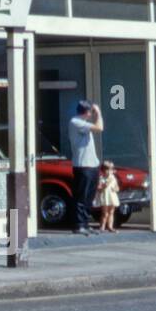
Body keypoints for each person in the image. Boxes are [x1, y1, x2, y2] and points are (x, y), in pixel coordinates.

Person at [67, 99, 104, 235]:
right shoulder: (76, 122)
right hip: (83, 165)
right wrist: (98, 113)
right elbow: (99, 128)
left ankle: (85, 223)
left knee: (89, 196)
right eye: (90, 111)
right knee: (81, 196)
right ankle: (79, 224)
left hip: (92, 164)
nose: (92, 113)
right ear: (87, 112)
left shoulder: (83, 122)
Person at [95, 160, 121, 233]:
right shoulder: (102, 178)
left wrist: (116, 189)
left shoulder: (113, 178)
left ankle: (110, 226)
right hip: (105, 197)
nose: (109, 172)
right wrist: (104, 185)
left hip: (112, 196)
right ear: (103, 170)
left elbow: (117, 188)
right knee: (105, 213)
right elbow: (99, 188)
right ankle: (102, 226)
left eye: (111, 170)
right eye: (107, 170)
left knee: (111, 212)